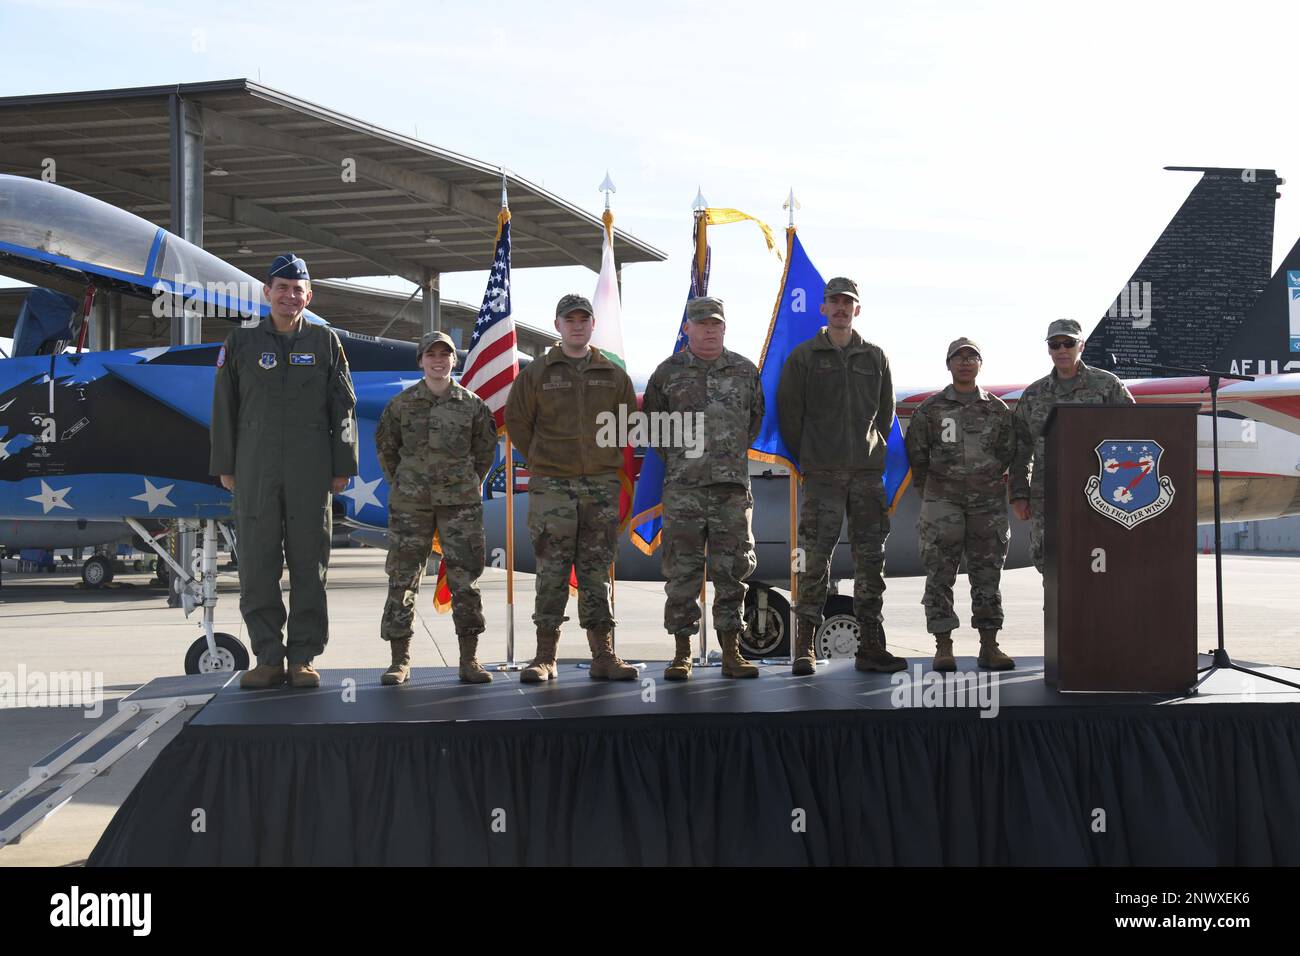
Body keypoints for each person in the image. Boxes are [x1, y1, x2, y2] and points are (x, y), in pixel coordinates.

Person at [210, 253, 358, 689]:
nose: (290, 296)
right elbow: (224, 407)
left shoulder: (326, 342)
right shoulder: (240, 342)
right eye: (282, 288)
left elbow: (343, 406)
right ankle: (269, 657)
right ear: (266, 292)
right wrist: (225, 465)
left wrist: (342, 464)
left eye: (298, 290)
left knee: (310, 564)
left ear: (308, 296)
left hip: (310, 468)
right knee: (257, 564)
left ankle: (303, 658)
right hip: (254, 466)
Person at [504, 293, 640, 682]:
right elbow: (517, 421)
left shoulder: (613, 374)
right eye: (570, 320)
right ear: (557, 325)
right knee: (552, 571)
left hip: (600, 486)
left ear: (592, 325)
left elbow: (627, 423)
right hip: (553, 488)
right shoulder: (538, 373)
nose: (577, 325)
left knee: (597, 572)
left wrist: (601, 460)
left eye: (584, 319)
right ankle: (544, 656)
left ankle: (604, 655)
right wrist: (545, 460)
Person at [777, 277, 905, 675]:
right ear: (823, 308)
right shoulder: (804, 357)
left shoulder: (875, 358)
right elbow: (789, 416)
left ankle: (871, 645)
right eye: (833, 301)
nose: (840, 308)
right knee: (815, 561)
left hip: (867, 475)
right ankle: (803, 647)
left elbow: (886, 414)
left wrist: (869, 451)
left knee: (871, 560)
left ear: (857, 310)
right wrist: (814, 455)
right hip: (823, 474)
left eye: (847, 303)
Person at [642, 296, 764, 680]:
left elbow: (754, 422)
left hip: (730, 489)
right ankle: (682, 653)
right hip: (684, 490)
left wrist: (724, 454)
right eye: (702, 324)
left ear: (724, 327)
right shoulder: (668, 373)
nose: (710, 330)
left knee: (733, 572)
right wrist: (686, 460)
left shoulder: (745, 371)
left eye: (716, 324)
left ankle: (732, 652)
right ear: (688, 329)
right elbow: (654, 428)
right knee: (682, 572)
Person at [374, 331, 497, 685]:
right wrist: (406, 482)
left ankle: (469, 660)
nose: (438, 360)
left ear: (453, 361)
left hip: (460, 504)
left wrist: (465, 480)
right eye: (432, 354)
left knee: (466, 580)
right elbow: (386, 447)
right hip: (411, 504)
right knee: (402, 578)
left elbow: (484, 451)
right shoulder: (402, 404)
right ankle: (399, 660)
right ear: (421, 360)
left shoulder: (472, 404)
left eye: (445, 355)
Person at [905, 338, 1018, 671]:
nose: (966, 362)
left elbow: (1008, 452)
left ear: (980, 364)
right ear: (949, 363)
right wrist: (935, 493)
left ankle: (989, 645)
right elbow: (917, 454)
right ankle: (943, 646)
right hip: (943, 505)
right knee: (940, 575)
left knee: (987, 577)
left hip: (987, 506)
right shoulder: (931, 409)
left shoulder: (997, 410)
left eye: (972, 357)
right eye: (959, 357)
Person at [1010, 319, 1135, 573]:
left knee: (1098, 564)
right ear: (1049, 350)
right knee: (1051, 566)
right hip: (1049, 495)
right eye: (1055, 344)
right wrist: (1019, 495)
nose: (1062, 349)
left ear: (1082, 346)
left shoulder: (1107, 386)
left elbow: (1132, 433)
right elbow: (1020, 449)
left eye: (1069, 343)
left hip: (1100, 494)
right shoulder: (1034, 395)